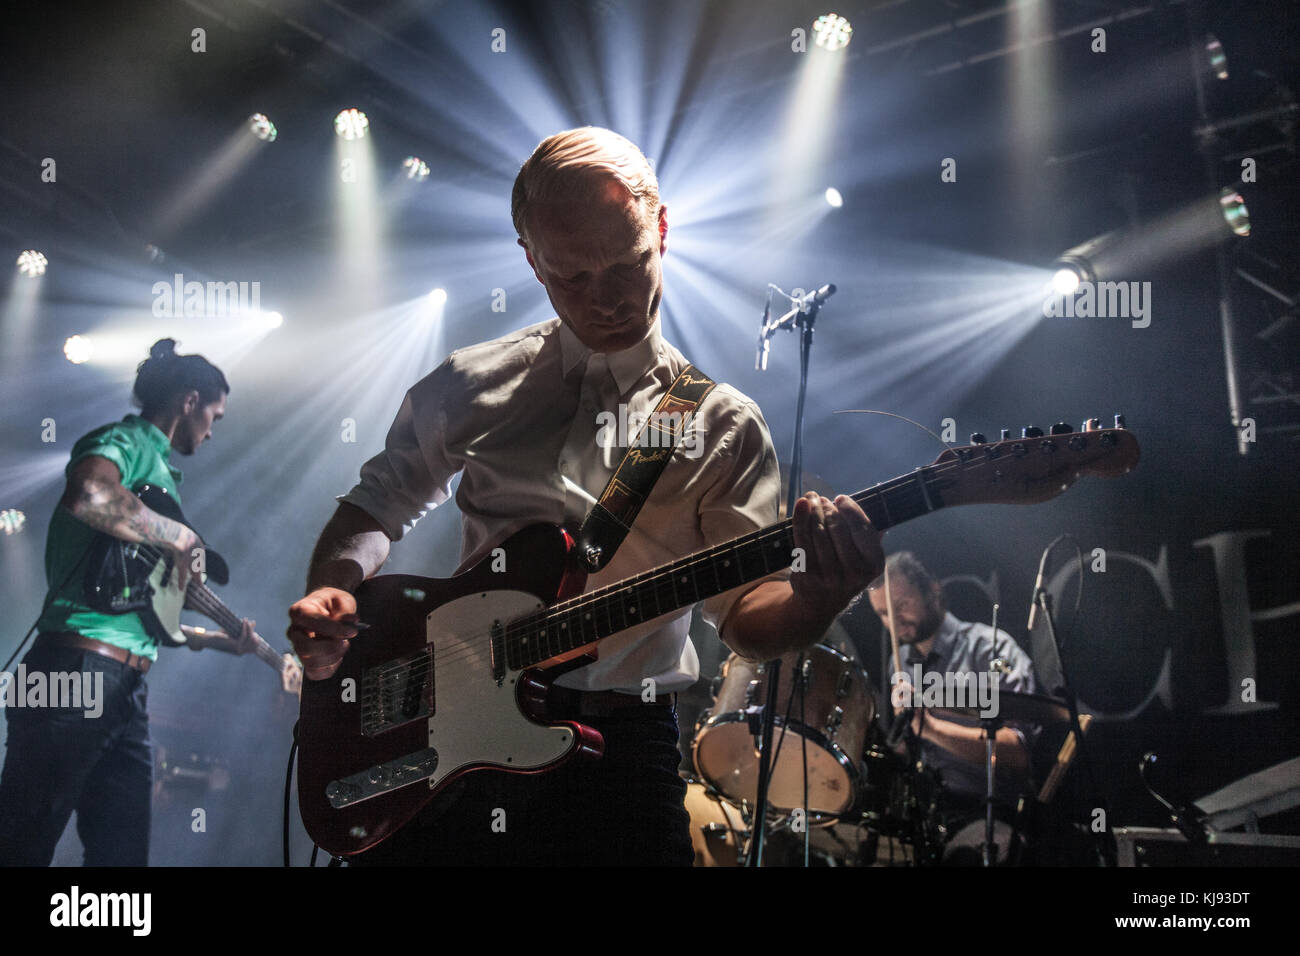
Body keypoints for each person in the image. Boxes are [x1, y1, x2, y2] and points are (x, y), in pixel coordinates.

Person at [287, 126, 884, 866]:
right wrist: (332, 589)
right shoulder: (471, 384)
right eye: (572, 277)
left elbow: (748, 617)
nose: (607, 300)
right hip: (445, 736)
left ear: (662, 229)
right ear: (532, 262)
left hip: (618, 757)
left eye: (630, 263)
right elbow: (375, 505)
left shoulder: (721, 424)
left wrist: (822, 597)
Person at [0, 339, 260, 866]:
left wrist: (215, 641)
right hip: (72, 671)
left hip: (122, 688)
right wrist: (178, 537)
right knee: (21, 846)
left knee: (121, 869)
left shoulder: (162, 476)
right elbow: (90, 493)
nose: (213, 431)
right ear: (190, 401)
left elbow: (143, 611)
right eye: (214, 415)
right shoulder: (127, 441)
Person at [866, 551, 1037, 864]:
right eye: (883, 614)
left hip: (986, 813)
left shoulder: (992, 650)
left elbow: (1017, 753)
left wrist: (931, 728)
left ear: (933, 590)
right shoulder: (899, 663)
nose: (894, 620)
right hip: (927, 815)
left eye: (901, 605)